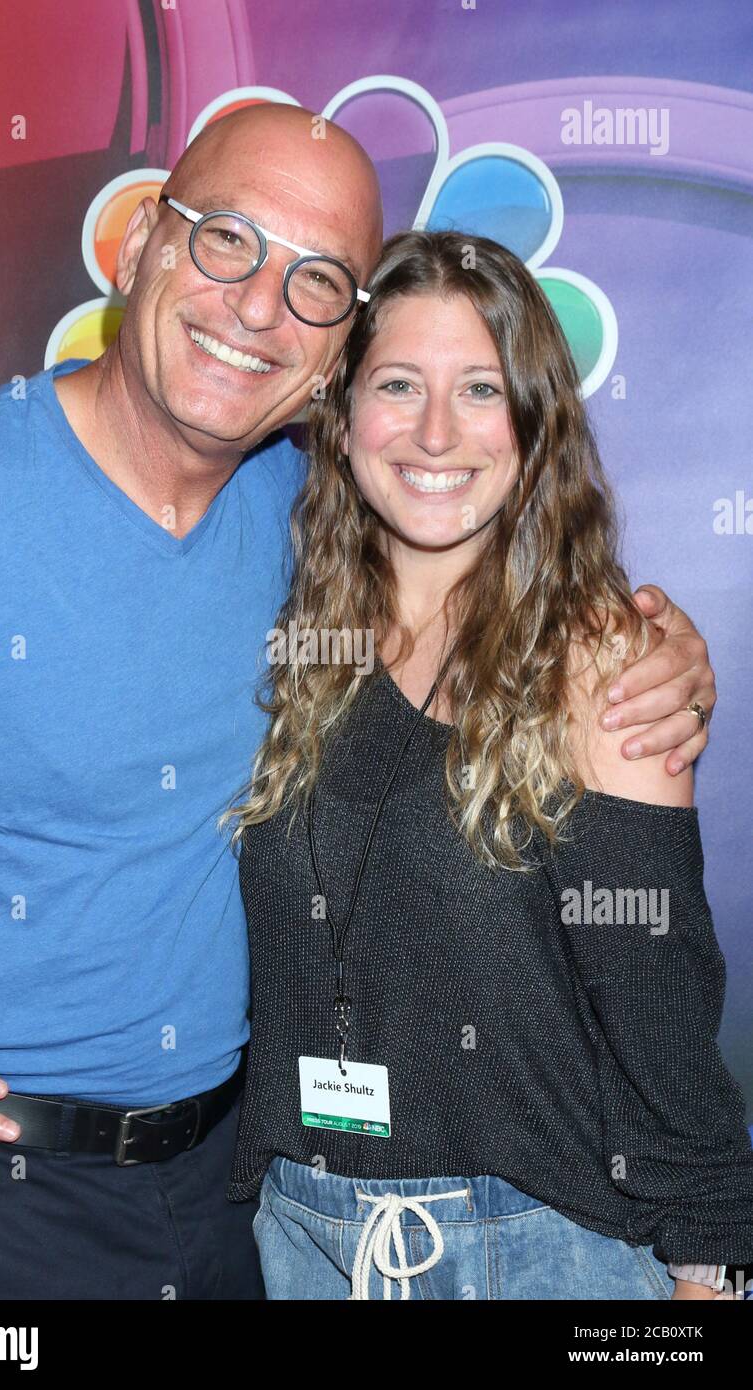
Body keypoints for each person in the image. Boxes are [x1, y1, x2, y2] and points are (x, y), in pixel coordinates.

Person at [0, 105, 717, 1301]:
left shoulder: (317, 526)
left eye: (316, 280)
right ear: (138, 246)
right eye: (226, 239)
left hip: (247, 1199)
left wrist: (654, 655)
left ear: (332, 357)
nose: (257, 305)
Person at [224, 230, 753, 1301]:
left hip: (531, 1250)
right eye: (397, 385)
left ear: (533, 419)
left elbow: (653, 993)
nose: (432, 431)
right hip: (302, 1237)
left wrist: (707, 1270)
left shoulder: (597, 654)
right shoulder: (300, 631)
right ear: (339, 412)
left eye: (476, 388)